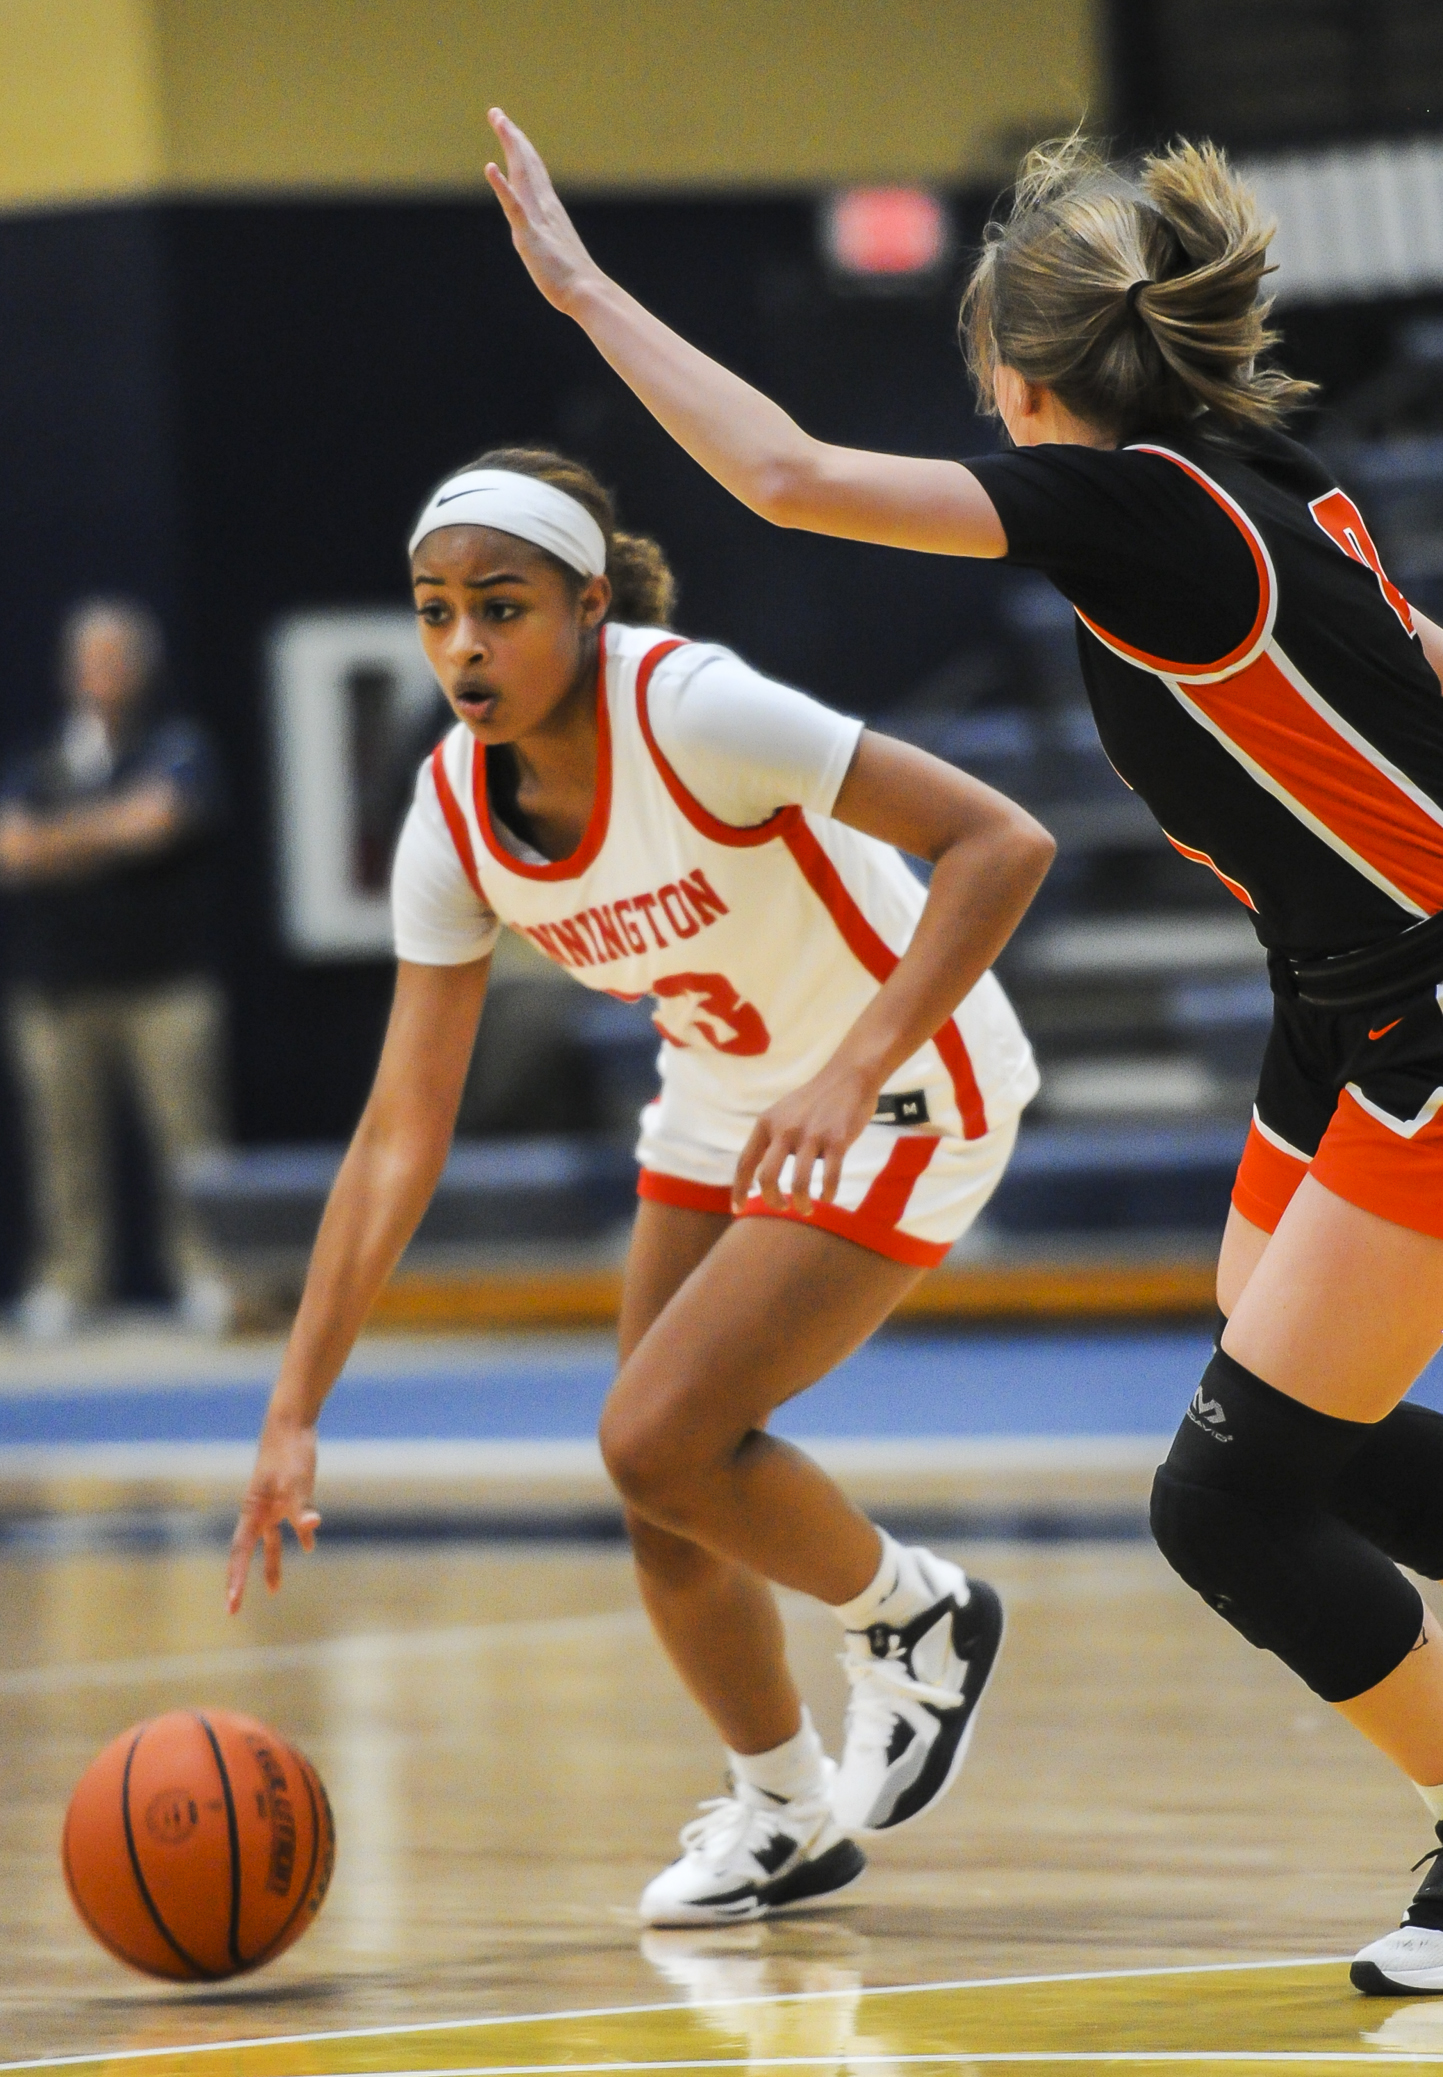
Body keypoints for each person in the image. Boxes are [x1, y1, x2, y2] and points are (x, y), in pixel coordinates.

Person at [481, 111, 1443, 1988]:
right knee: (1297, 1437)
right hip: (1337, 992)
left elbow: (781, 474)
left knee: (1226, 1500)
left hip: (1418, 990)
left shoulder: (1133, 509)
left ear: (1017, 378)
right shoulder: (1251, 473)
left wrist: (583, 290)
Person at [226, 447, 1052, 1924]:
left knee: (656, 1437)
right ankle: (786, 1812)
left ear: (589, 605)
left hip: (904, 1083)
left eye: (501, 607)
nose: (464, 647)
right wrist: (295, 1408)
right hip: (725, 1097)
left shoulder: (693, 710)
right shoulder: (452, 815)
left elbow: (1001, 840)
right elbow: (401, 1131)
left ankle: (915, 1614)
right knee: (664, 1498)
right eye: (434, 613)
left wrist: (855, 1065)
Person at [0, 599, 232, 1339]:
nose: (101, 674)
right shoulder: (36, 761)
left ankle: (207, 1274)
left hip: (164, 986)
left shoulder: (177, 746)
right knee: (62, 1148)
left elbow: (159, 821)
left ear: (142, 669)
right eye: (89, 660)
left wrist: (60, 839)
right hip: (57, 990)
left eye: (116, 659)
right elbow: (12, 849)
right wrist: (108, 829)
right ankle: (70, 1280)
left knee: (189, 1141)